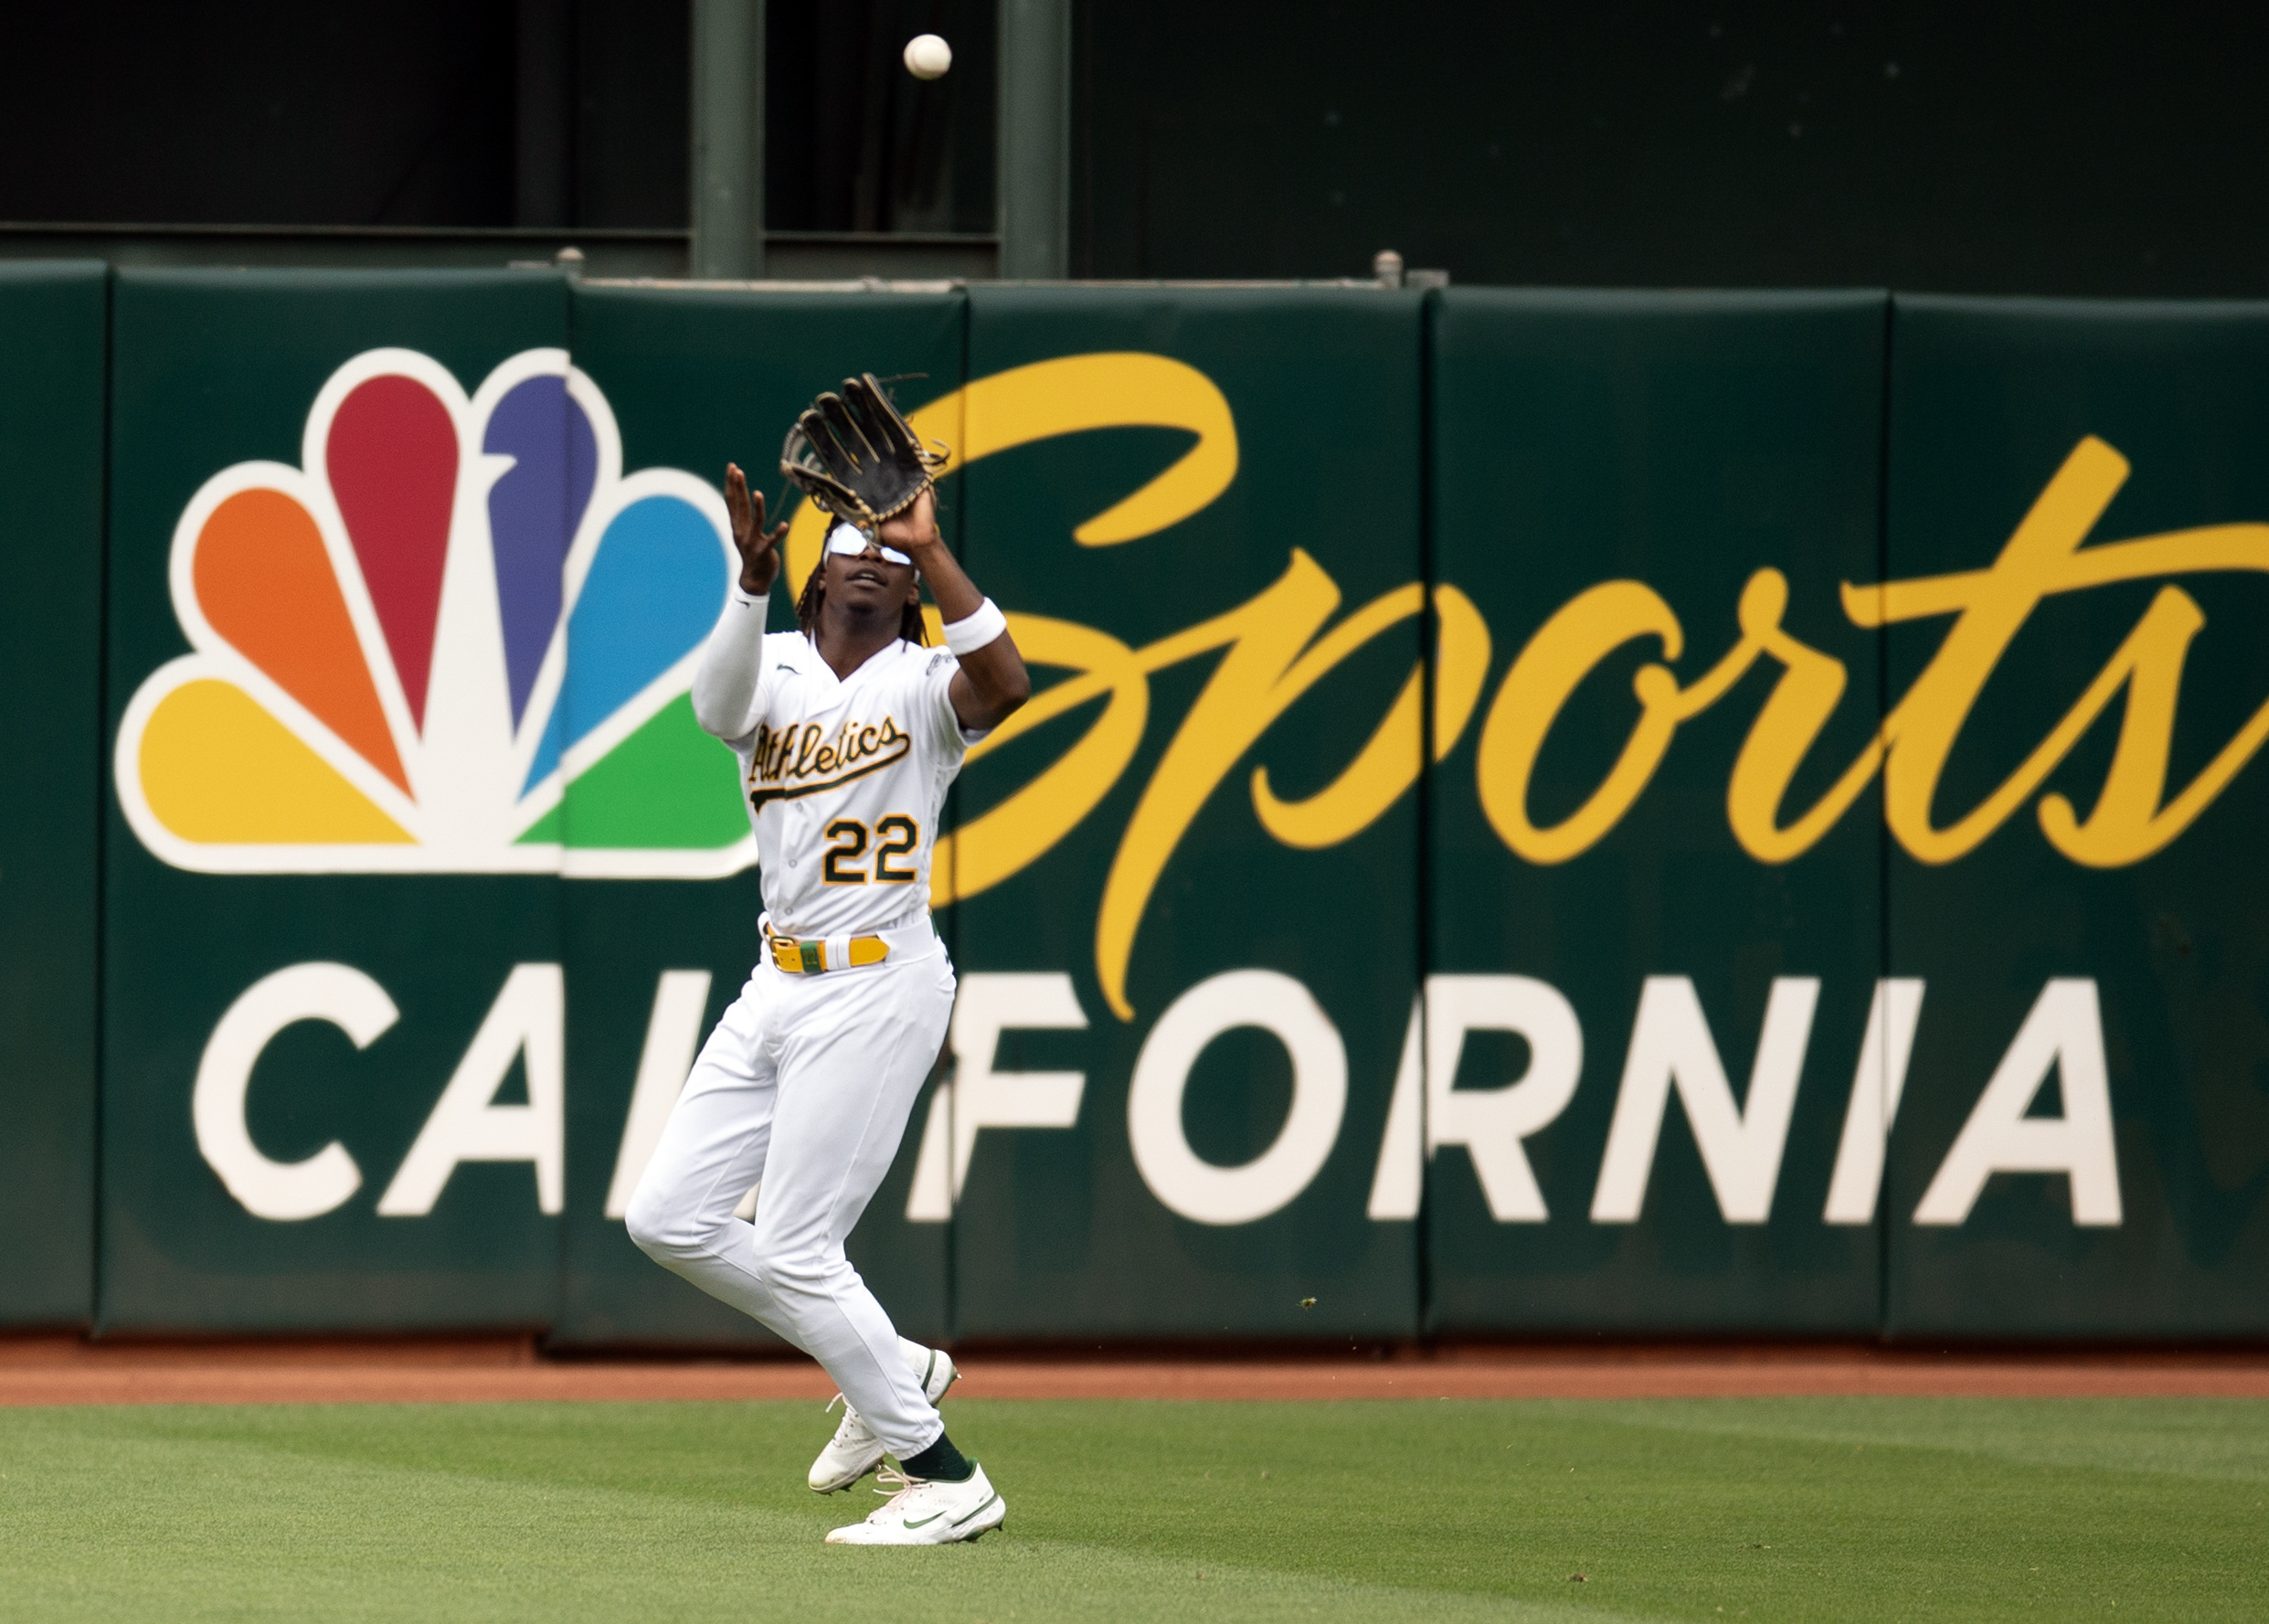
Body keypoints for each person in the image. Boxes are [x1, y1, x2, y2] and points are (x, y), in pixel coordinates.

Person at [626, 462, 1030, 1546]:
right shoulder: (770, 664)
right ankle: (892, 1365)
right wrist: (743, 584)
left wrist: (933, 545)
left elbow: (1006, 685)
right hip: (778, 978)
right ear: (814, 574)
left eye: (897, 562)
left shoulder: (921, 684)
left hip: (878, 978)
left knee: (801, 1245)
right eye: (859, 542)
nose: (878, 559)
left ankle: (944, 1476)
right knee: (665, 1216)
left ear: (909, 597)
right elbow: (713, 713)